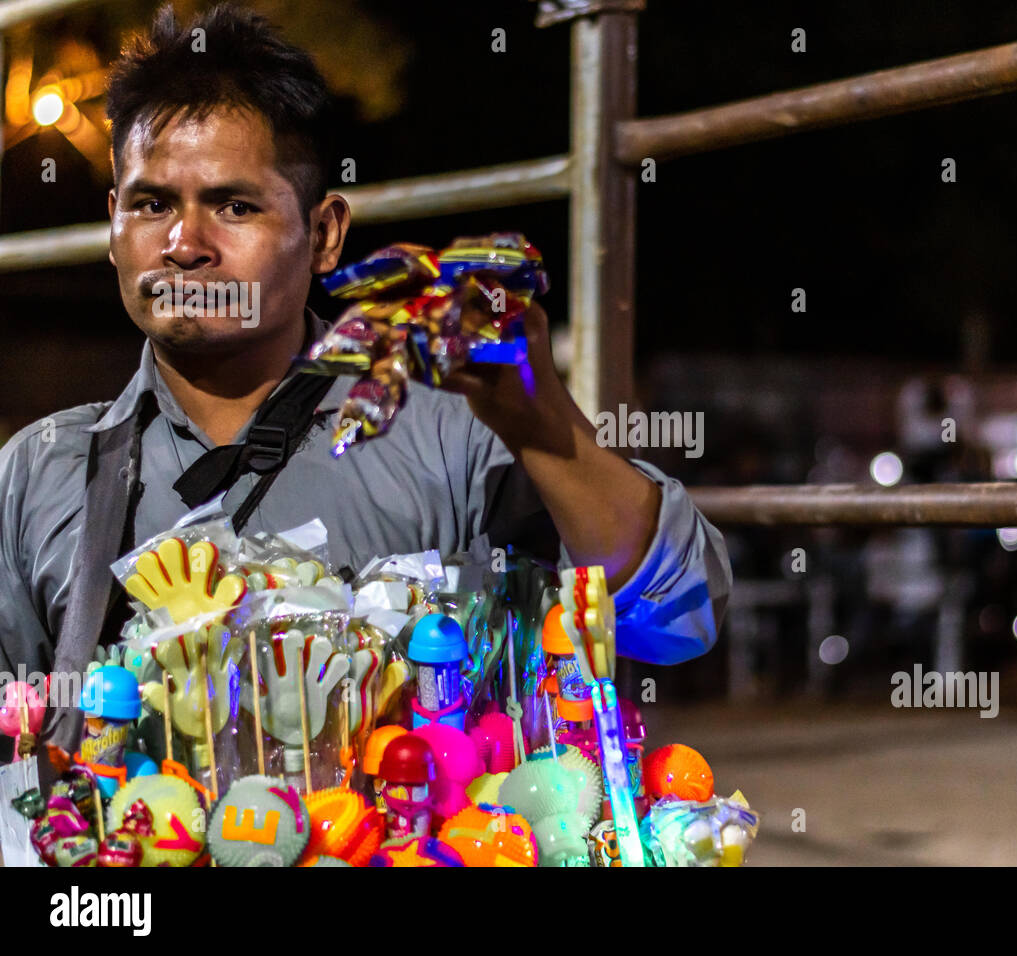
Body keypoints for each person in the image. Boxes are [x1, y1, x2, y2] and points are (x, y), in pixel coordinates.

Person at [0, 5, 731, 716]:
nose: (184, 244)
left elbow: (676, 624)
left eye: (234, 207)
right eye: (152, 205)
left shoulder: (456, 435)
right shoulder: (42, 471)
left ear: (324, 234)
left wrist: (541, 422)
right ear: (112, 225)